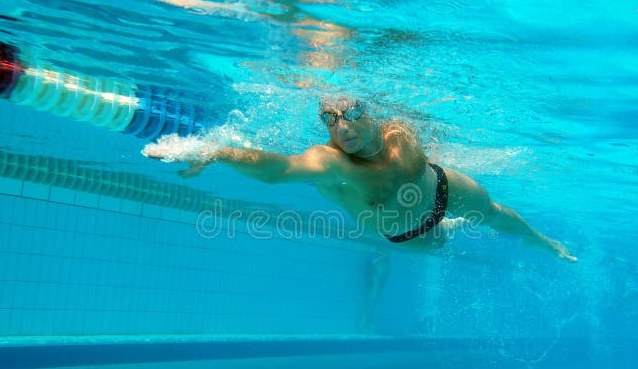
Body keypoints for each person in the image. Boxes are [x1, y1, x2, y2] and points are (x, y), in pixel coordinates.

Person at [142, 96, 577, 262]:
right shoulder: (330, 162)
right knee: (446, 246)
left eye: (350, 114)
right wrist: (218, 150)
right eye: (329, 119)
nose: (341, 127)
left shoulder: (398, 130)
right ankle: (454, 229)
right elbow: (278, 170)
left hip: (446, 188)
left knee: (496, 214)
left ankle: (543, 240)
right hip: (412, 233)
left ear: (368, 112)